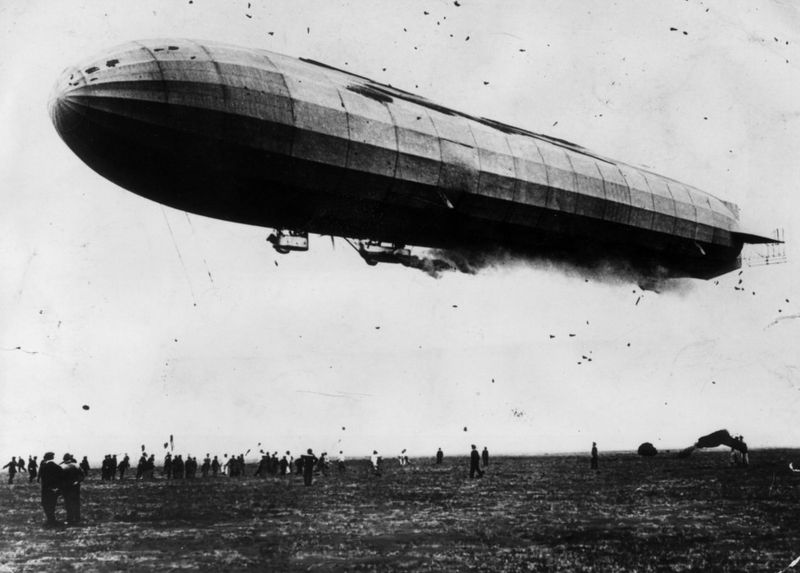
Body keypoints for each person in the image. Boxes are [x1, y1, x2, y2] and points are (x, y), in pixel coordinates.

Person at [39, 452, 63, 526]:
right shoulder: (58, 467)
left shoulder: (43, 467)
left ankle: (50, 520)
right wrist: (58, 488)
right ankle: (52, 520)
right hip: (55, 489)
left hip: (46, 489)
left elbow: (43, 478)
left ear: (45, 457)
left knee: (46, 504)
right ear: (52, 458)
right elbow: (62, 478)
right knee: (52, 504)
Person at [60, 453, 84, 525]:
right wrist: (77, 482)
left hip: (66, 487)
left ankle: (69, 518)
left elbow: (59, 478)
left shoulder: (61, 466)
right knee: (76, 502)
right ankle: (77, 518)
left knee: (68, 503)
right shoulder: (76, 465)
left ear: (64, 459)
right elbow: (82, 476)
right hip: (75, 487)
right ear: (70, 458)